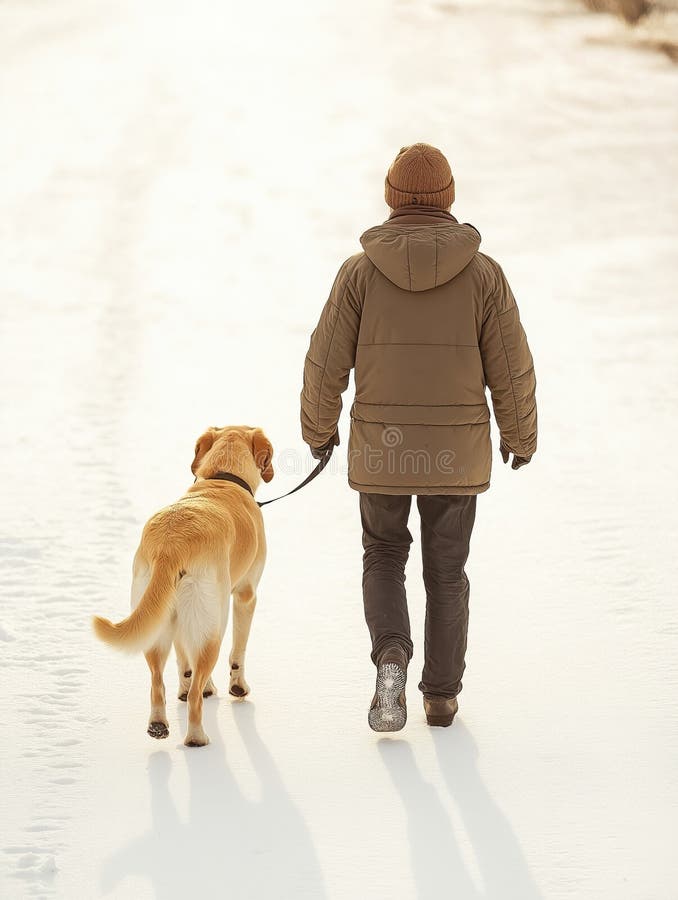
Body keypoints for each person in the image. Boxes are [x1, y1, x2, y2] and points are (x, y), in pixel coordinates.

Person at [300, 143, 537, 732]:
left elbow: (325, 362)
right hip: (454, 453)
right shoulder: (483, 275)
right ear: (448, 197)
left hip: (385, 445)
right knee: (447, 570)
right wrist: (520, 435)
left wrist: (319, 429)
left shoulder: (358, 273)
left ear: (390, 196)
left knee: (383, 554)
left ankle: (390, 660)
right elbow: (511, 365)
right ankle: (442, 696)